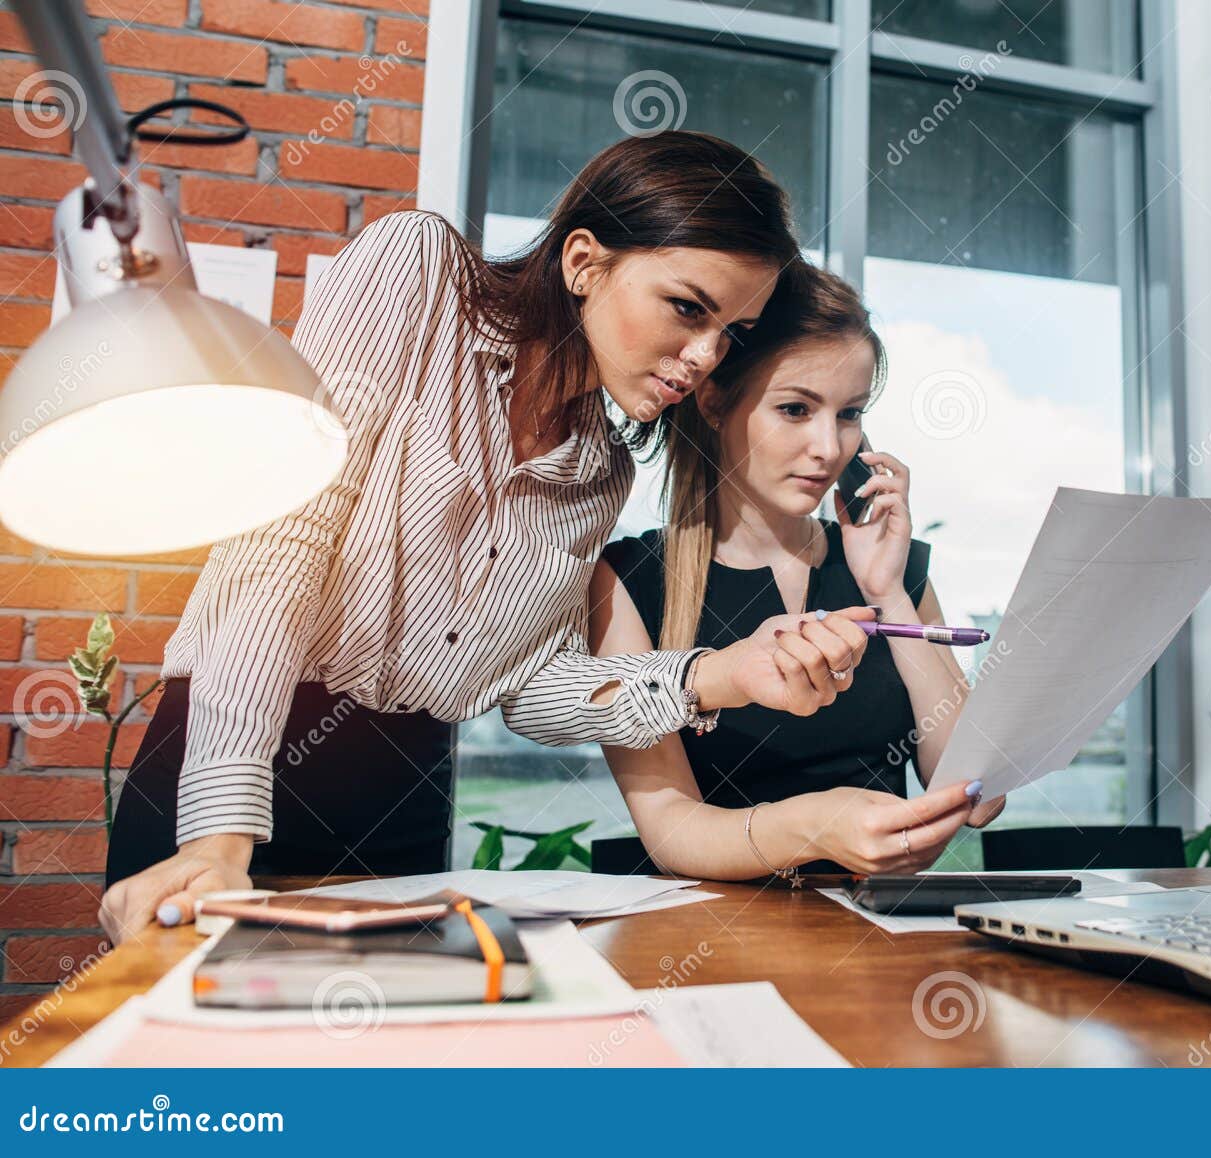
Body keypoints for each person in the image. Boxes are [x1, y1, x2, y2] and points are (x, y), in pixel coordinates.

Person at [100, 132, 877, 943]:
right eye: (688, 308)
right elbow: (280, 545)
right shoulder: (419, 273)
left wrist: (720, 674)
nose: (704, 356)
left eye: (733, 332)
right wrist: (220, 837)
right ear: (584, 260)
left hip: (401, 791)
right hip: (227, 756)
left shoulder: (600, 472)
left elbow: (529, 689)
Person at [589, 265, 1004, 881]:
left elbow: (980, 796)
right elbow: (673, 830)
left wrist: (888, 589)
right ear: (714, 400)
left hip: (879, 926)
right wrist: (818, 825)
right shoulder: (629, 581)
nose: (828, 447)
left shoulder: (894, 571)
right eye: (795, 408)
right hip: (717, 934)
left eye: (848, 414)